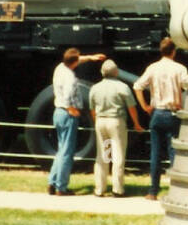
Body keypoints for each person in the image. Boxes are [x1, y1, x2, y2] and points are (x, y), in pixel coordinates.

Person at [133, 37, 188, 200]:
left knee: (155, 153)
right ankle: (176, 190)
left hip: (157, 113)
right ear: (174, 51)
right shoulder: (180, 68)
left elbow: (137, 86)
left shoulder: (153, 67)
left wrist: (145, 106)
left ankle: (153, 191)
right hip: (172, 113)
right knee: (174, 152)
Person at [47, 47, 105, 195]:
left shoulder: (60, 68)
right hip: (67, 114)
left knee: (61, 150)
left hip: (58, 112)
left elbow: (76, 59)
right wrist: (71, 109)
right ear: (73, 63)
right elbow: (67, 96)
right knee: (67, 152)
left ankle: (52, 182)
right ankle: (61, 187)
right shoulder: (70, 77)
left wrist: (91, 57)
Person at [89, 60, 144, 197]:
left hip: (101, 121)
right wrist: (136, 123)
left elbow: (92, 109)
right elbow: (131, 108)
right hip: (116, 122)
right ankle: (117, 189)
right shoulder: (122, 87)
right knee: (118, 155)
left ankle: (100, 189)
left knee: (103, 155)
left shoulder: (95, 88)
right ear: (116, 72)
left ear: (102, 72)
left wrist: (97, 121)